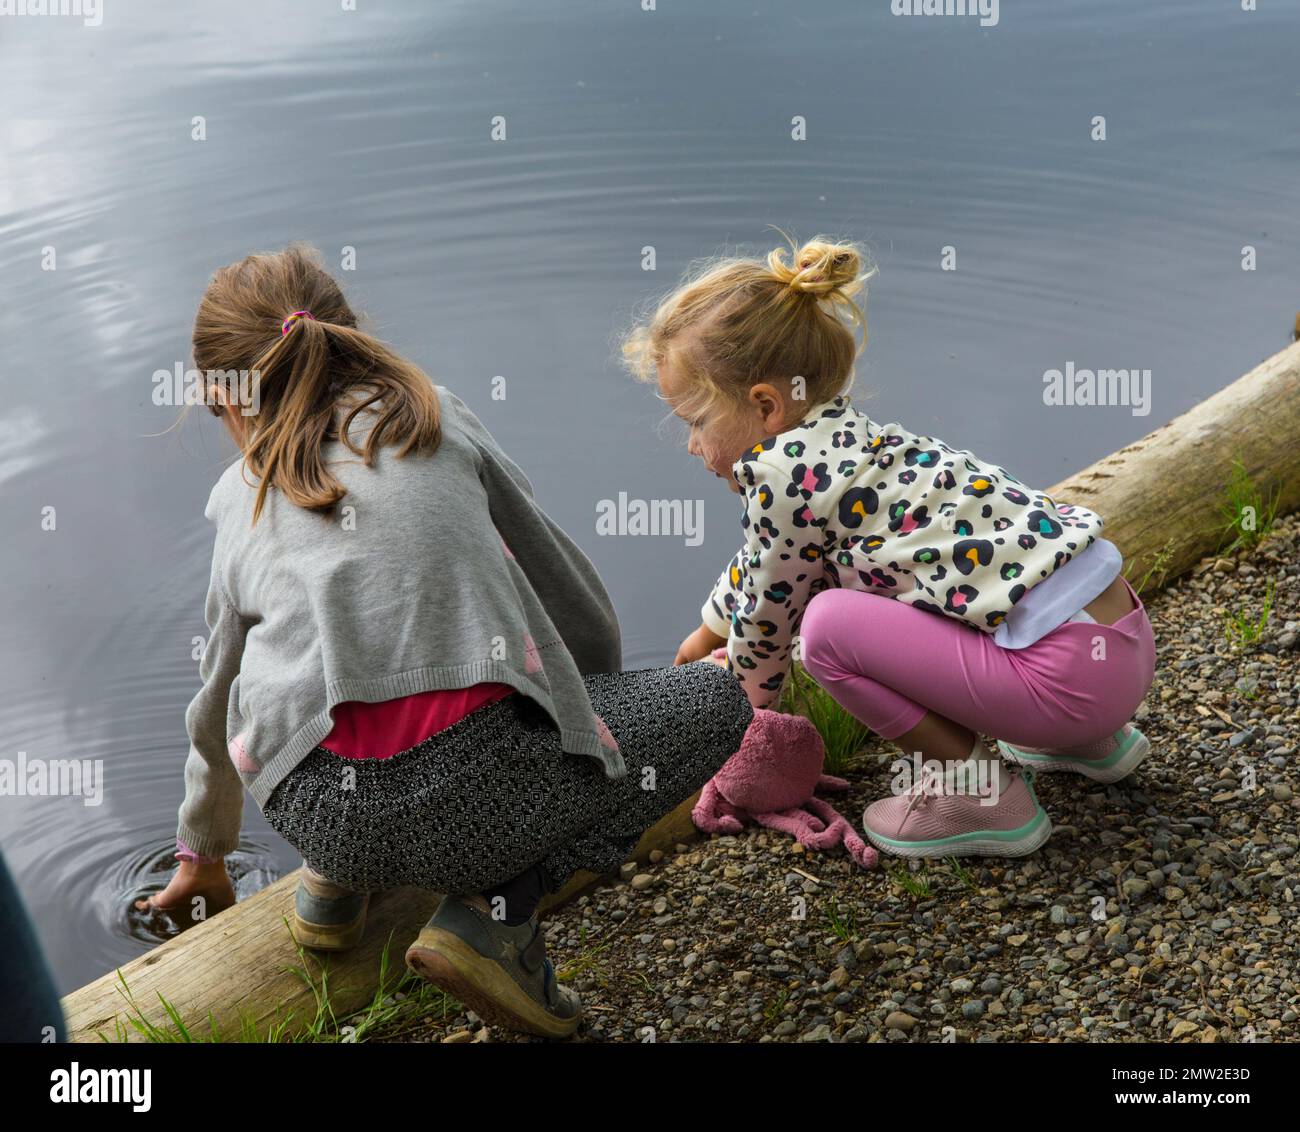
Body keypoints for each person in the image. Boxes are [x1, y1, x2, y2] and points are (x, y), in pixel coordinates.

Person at [134, 244, 754, 1039]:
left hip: (312, 809)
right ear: (346, 336)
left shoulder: (236, 498)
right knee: (718, 699)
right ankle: (496, 919)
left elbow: (216, 692)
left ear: (224, 401)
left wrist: (203, 852)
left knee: (315, 684)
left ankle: (330, 889)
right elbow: (570, 595)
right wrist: (586, 734)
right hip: (475, 797)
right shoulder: (433, 415)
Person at [622, 234, 1156, 860]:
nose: (693, 447)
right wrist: (710, 629)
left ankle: (980, 793)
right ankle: (1089, 744)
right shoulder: (856, 446)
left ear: (765, 405)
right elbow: (770, 562)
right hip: (1122, 655)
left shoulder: (777, 476)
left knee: (824, 630)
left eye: (695, 422)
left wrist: (734, 714)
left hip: (1063, 688)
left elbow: (771, 615)